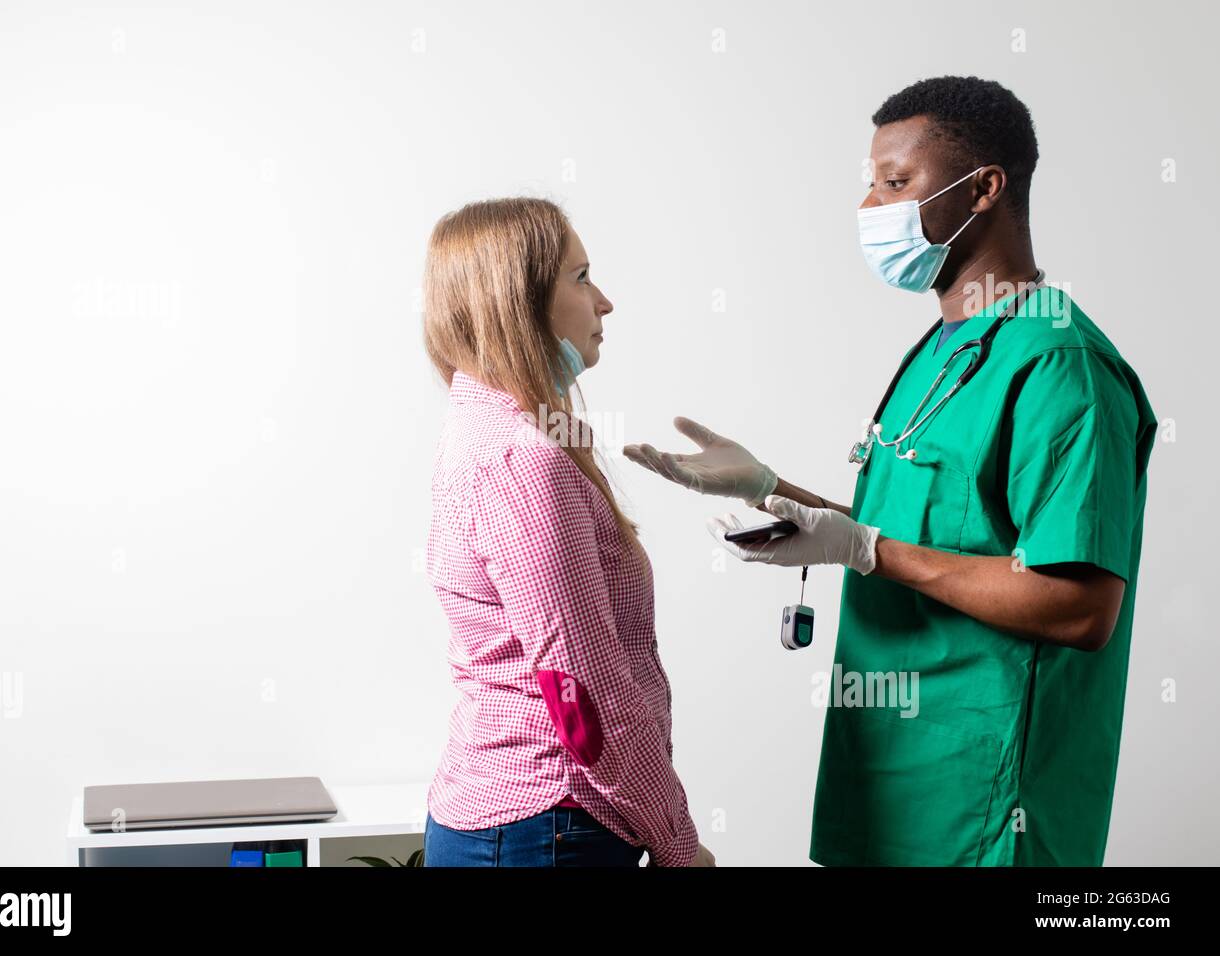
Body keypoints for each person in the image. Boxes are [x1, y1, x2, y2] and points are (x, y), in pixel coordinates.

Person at [625, 76, 1157, 866]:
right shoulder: (939, 352)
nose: (872, 208)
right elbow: (916, 531)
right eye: (870, 184)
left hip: (982, 800)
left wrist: (864, 551)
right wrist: (770, 488)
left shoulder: (1059, 366)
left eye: (896, 183)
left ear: (983, 189)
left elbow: (1079, 607)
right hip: (885, 780)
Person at [420, 197, 714, 867]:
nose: (604, 302)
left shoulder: (482, 428)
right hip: (547, 825)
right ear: (517, 300)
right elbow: (580, 688)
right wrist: (677, 844)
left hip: (517, 823)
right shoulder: (524, 459)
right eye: (581, 278)